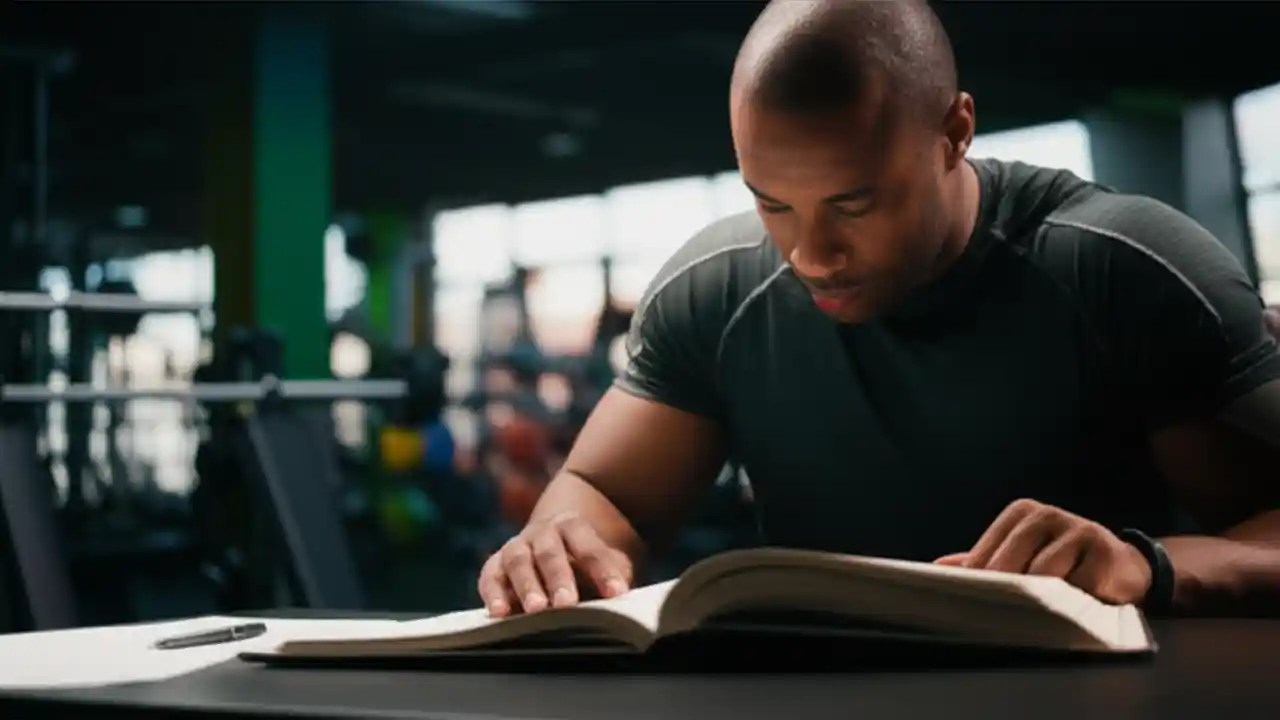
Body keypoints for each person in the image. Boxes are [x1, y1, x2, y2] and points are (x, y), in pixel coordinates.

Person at [478, 0, 1280, 618]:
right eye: (773, 206)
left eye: (853, 205)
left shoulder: (1124, 269)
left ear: (955, 132)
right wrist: (556, 548)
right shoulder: (718, 291)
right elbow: (607, 492)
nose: (810, 255)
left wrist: (1149, 564)